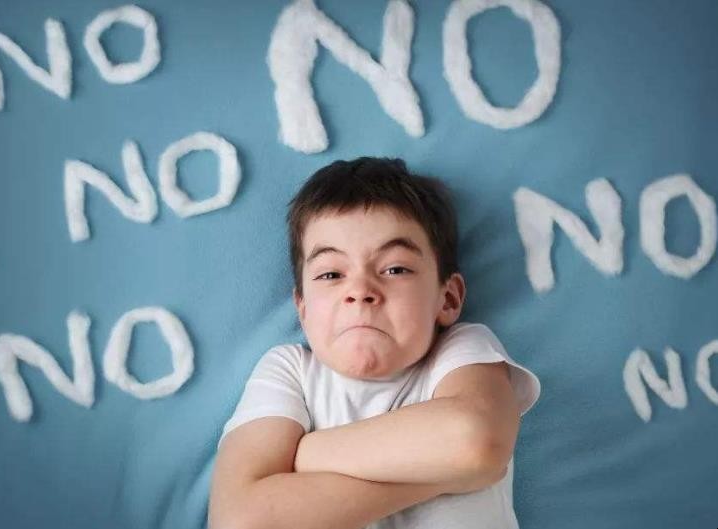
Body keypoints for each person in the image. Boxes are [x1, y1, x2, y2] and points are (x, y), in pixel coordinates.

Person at [208, 157, 541, 529]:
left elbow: (476, 440)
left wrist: (306, 455)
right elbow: (241, 520)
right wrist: (447, 475)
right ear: (302, 309)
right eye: (332, 273)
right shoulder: (290, 371)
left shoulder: (462, 351)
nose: (360, 291)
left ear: (446, 299)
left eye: (395, 269)